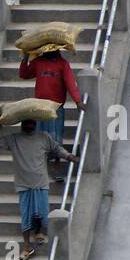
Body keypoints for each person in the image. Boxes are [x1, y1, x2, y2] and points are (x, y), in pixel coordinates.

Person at [0, 118, 77, 260]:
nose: (29, 125)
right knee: (26, 217)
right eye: (26, 123)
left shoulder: (43, 137)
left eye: (32, 123)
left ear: (35, 124)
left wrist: (68, 156)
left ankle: (40, 231)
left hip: (41, 182)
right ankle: (27, 246)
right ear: (22, 125)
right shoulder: (14, 139)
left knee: (42, 212)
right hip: (24, 184)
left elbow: (56, 148)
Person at [19, 48, 86, 180]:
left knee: (56, 139)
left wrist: (78, 101)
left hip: (56, 109)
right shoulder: (38, 62)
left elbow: (70, 84)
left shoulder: (63, 64)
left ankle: (56, 169)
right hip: (40, 108)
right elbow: (24, 74)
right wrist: (26, 57)